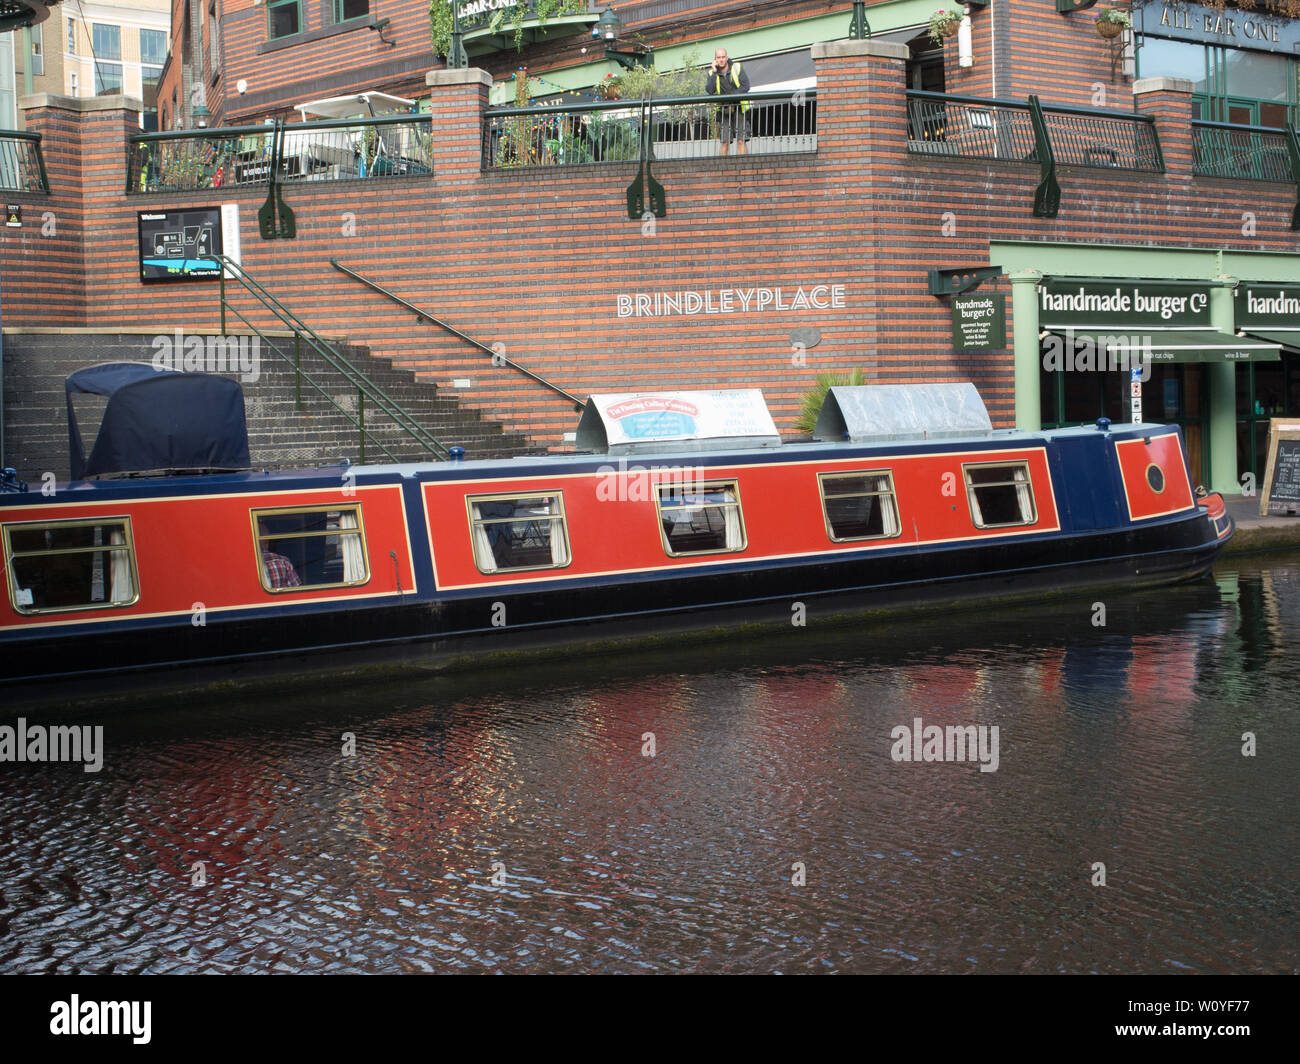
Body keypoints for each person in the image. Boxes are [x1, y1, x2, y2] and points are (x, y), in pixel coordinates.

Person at [705, 48, 751, 156]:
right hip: (723, 109)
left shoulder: (737, 67)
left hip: (740, 107)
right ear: (715, 59)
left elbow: (746, 86)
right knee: (724, 141)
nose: (721, 60)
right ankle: (723, 170)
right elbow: (710, 90)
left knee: (741, 140)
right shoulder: (712, 73)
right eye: (718, 57)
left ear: (726, 57)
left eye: (723, 57)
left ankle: (743, 168)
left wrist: (731, 96)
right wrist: (714, 71)